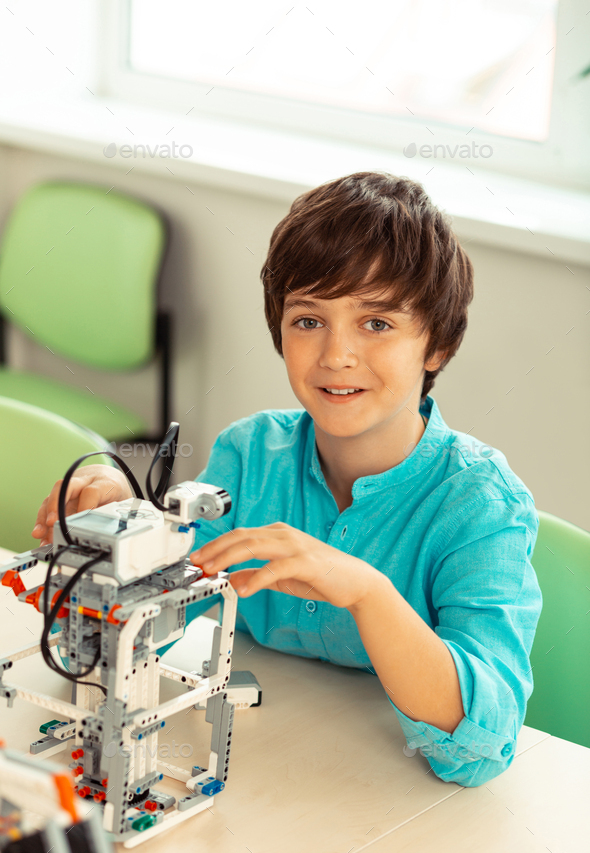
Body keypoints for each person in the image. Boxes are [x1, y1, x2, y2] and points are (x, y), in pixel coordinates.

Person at [31, 171, 542, 788]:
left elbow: (485, 745)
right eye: (308, 321)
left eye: (376, 324)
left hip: (391, 799)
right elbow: (150, 627)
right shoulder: (251, 454)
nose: (336, 355)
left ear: (437, 344)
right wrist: (119, 533)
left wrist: (367, 592)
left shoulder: (482, 506)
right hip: (262, 768)